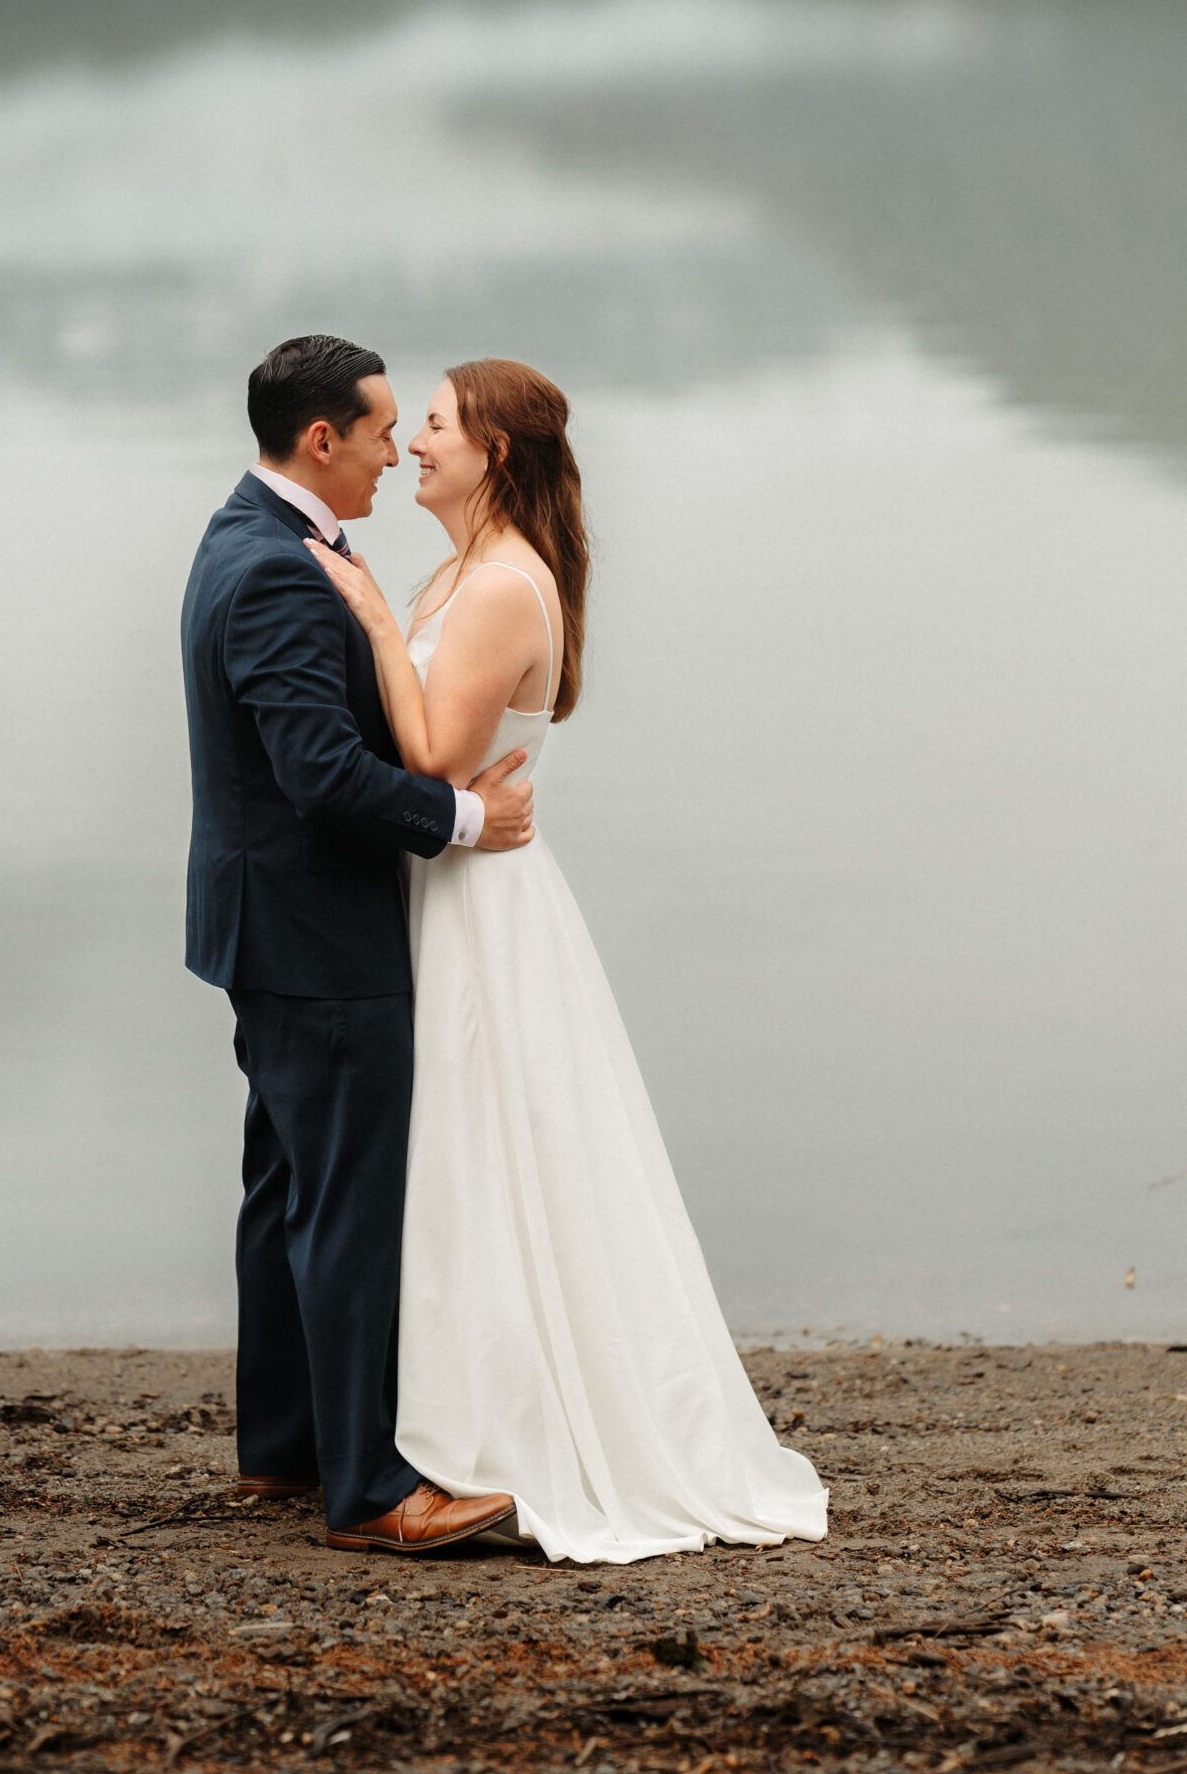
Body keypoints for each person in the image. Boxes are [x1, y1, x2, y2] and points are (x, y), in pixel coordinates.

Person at [306, 357, 829, 1563]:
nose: (411, 446)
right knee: (473, 1156)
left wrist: (374, 617)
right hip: (453, 882)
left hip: (481, 897)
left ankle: (491, 1429)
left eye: (432, 426)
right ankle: (440, 1419)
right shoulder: (462, 568)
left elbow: (434, 756)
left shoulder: (495, 586)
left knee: (493, 1150)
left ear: (493, 452)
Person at [180, 334, 535, 1556]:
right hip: (315, 930)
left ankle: (284, 1447)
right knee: (345, 1205)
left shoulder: (249, 536)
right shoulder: (278, 568)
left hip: (266, 922)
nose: (396, 450)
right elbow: (318, 773)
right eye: (382, 430)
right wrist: (465, 815)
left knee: (284, 1183)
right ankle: (373, 1489)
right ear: (320, 439)